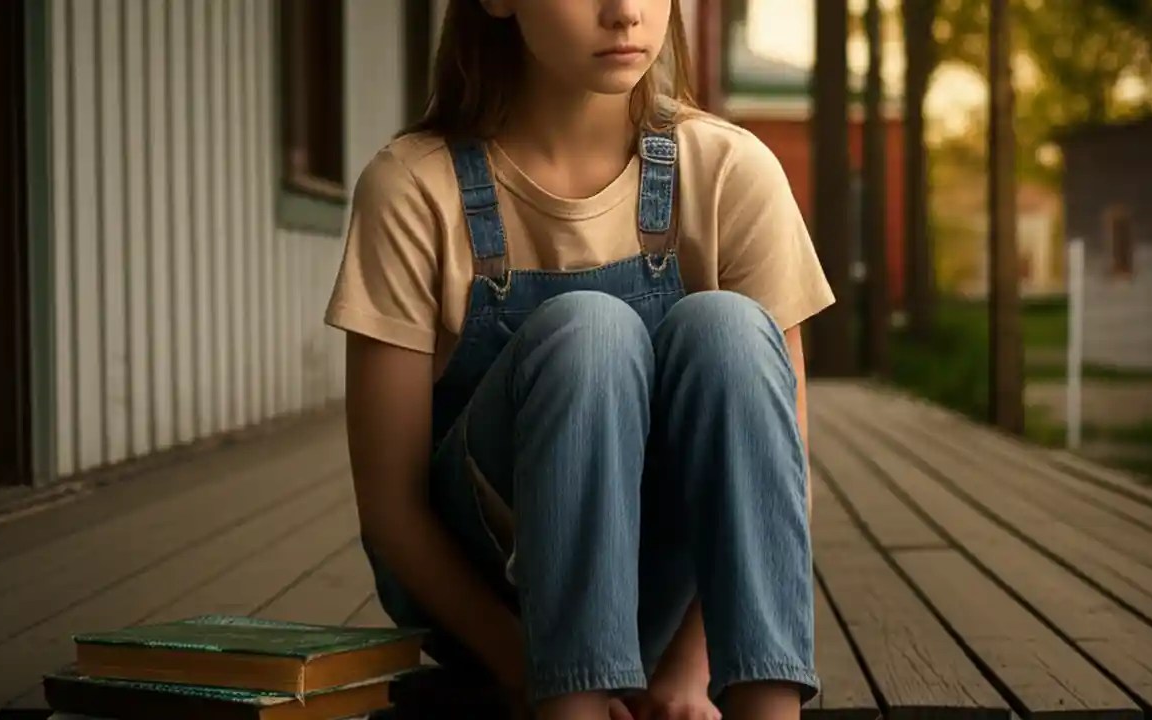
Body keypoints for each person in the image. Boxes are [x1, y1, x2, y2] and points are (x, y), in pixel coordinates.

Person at [324, 1, 834, 718]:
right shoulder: (412, 187)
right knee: (591, 332)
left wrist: (692, 669)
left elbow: (783, 476)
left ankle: (765, 709)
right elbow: (391, 512)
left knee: (727, 327)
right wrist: (524, 664)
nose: (623, 12)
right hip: (493, 602)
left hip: (675, 604)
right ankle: (576, 703)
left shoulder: (730, 170)